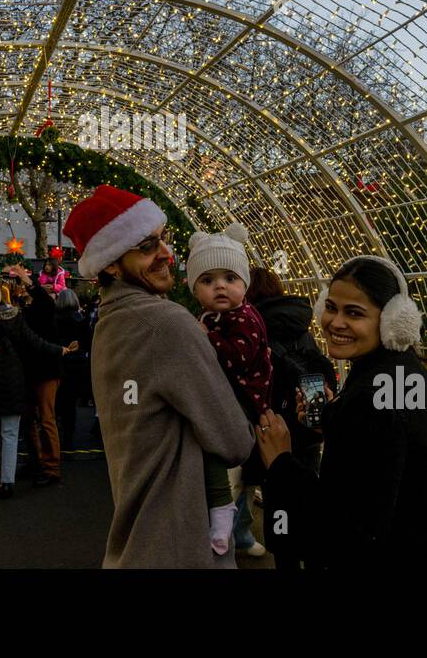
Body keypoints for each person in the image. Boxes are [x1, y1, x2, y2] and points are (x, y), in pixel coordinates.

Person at [63, 185, 252, 567]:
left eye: (162, 240)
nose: (166, 254)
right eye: (147, 246)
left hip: (137, 539)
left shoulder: (110, 323)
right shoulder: (166, 324)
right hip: (180, 543)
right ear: (111, 263)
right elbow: (233, 441)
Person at [254, 256, 427, 568]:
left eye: (354, 313)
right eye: (331, 307)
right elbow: (385, 457)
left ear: (392, 323)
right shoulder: (407, 374)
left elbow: (343, 530)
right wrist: (332, 419)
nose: (335, 322)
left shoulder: (369, 397)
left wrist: (281, 461)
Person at [185, 222, 273, 557]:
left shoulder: (244, 319)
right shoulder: (214, 317)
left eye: (230, 279)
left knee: (229, 472)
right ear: (195, 289)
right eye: (208, 281)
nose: (220, 287)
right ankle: (228, 529)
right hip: (231, 402)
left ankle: (227, 530)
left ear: (245, 285)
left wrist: (204, 336)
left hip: (244, 403)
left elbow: (235, 357)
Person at [247, 265, 337, 567]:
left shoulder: (254, 330)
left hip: (275, 436)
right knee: (309, 503)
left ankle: (286, 558)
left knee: (280, 509)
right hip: (308, 434)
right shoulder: (302, 327)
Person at [0, 281, 76, 499]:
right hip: (12, 381)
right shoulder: (15, 316)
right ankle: (7, 482)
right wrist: (59, 350)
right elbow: (34, 341)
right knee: (10, 435)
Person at [9, 264, 67, 486]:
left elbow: (41, 298)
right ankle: (37, 460)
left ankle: (51, 468)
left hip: (46, 370)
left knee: (46, 418)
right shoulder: (27, 312)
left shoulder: (45, 308)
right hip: (30, 370)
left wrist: (27, 279)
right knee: (29, 420)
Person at [52, 287, 92, 451]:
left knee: (55, 405)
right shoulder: (81, 320)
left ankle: (55, 439)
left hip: (57, 363)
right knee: (70, 407)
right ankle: (68, 440)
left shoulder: (53, 320)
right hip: (77, 366)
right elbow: (89, 342)